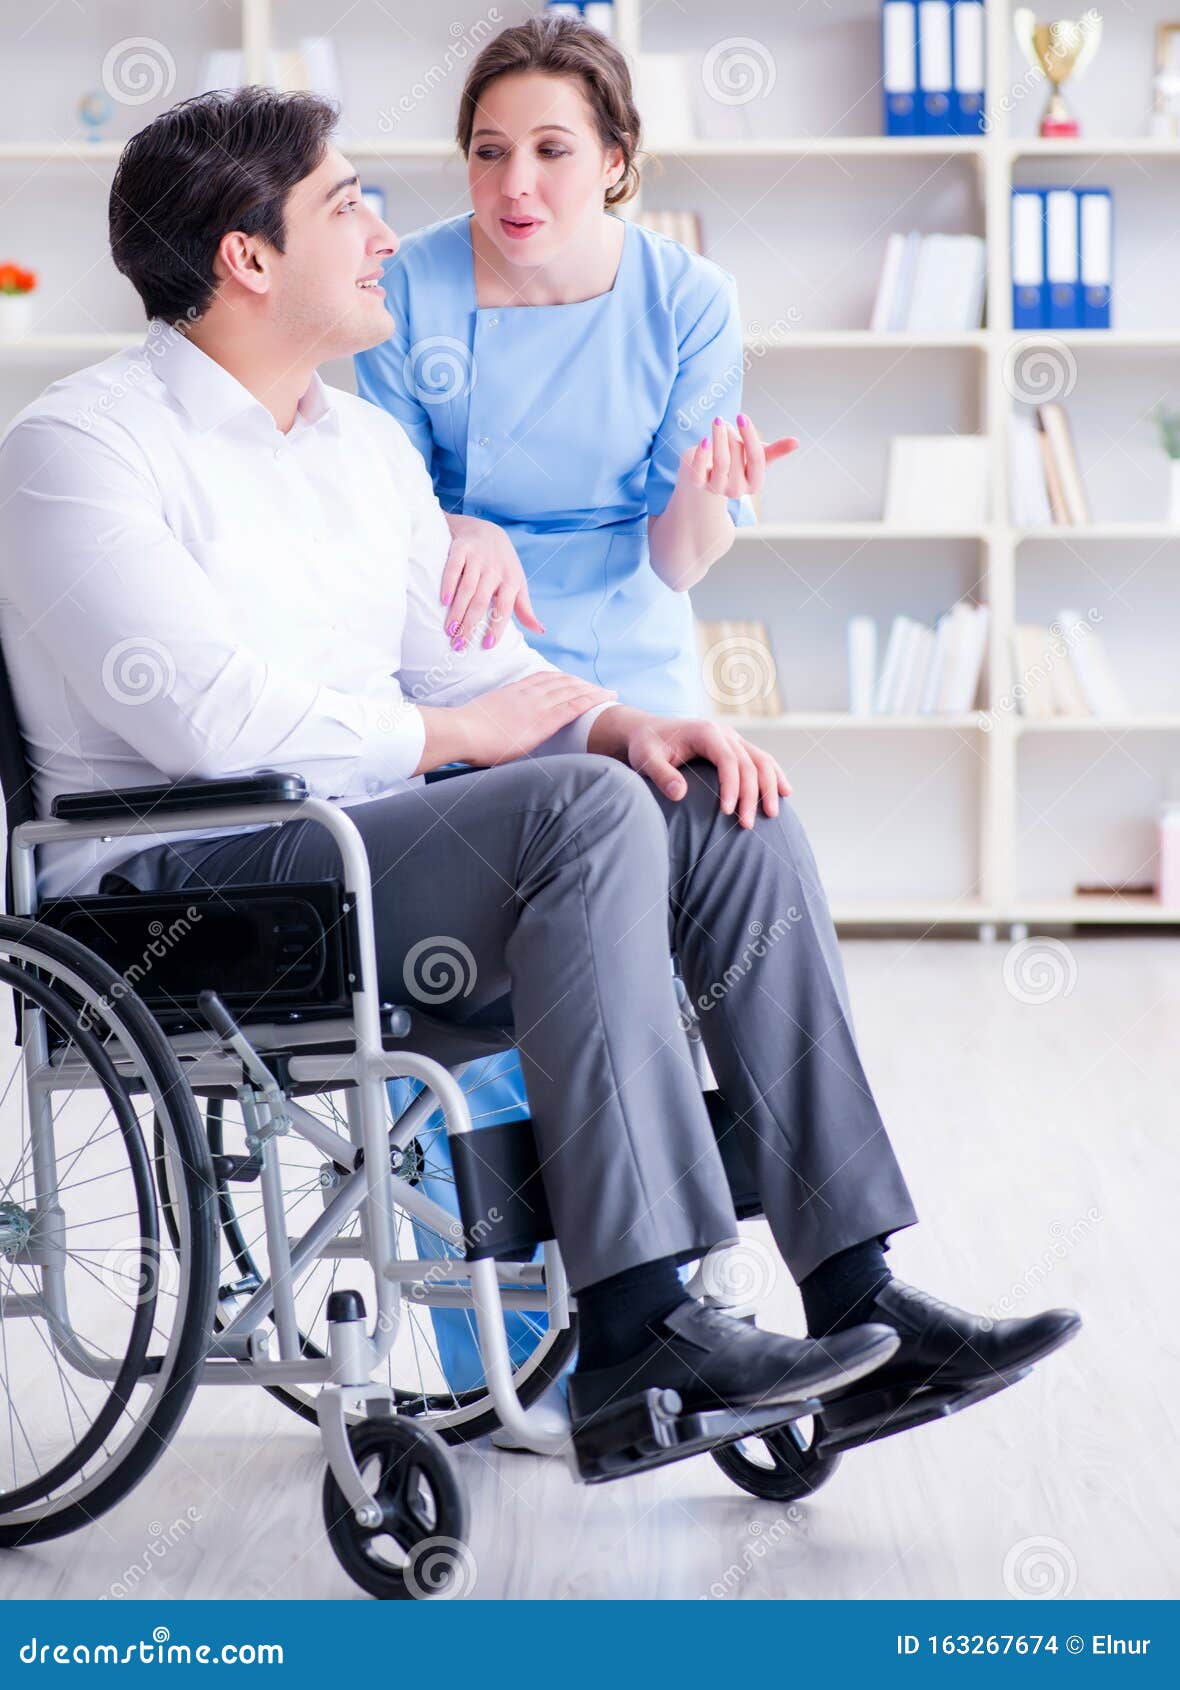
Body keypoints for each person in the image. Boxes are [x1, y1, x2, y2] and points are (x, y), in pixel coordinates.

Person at [0, 87, 1080, 1441]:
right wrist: (464, 741)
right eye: (349, 202)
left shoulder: (359, 447)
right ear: (248, 257)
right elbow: (211, 721)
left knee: (715, 804)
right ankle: (637, 1327)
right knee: (576, 814)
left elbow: (459, 671)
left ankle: (857, 1287)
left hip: (351, 855)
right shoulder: (76, 449)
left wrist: (625, 723)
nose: (390, 233)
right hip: (185, 896)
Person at [353, 15, 801, 1392]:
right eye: (489, 153)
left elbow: (677, 559)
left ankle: (685, 1280)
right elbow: (368, 520)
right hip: (470, 659)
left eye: (552, 149)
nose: (515, 186)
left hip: (638, 665)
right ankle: (506, 1332)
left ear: (616, 160)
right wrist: (452, 531)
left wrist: (706, 494)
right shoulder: (407, 295)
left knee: (710, 903)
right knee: (499, 995)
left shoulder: (686, 300)